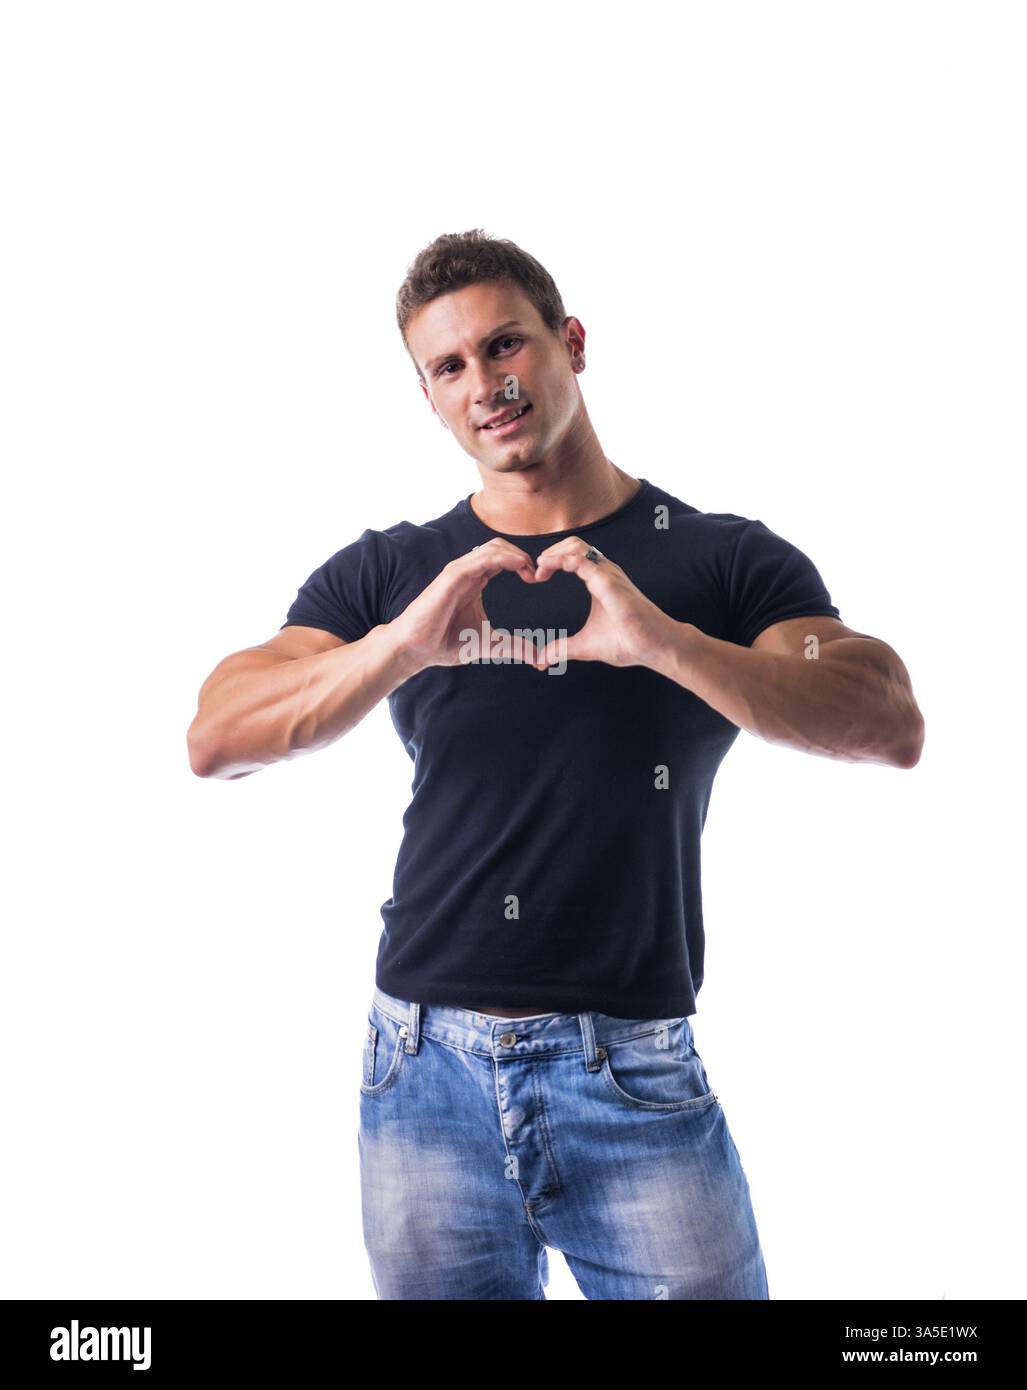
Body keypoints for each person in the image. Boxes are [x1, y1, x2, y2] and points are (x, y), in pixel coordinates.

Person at [187, 229, 925, 1300]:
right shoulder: (396, 569)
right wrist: (400, 644)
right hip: (419, 1071)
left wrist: (667, 643)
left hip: (627, 1070)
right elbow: (217, 734)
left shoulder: (717, 557)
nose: (485, 385)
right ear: (429, 397)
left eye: (505, 346)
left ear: (569, 343)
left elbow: (885, 716)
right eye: (448, 368)